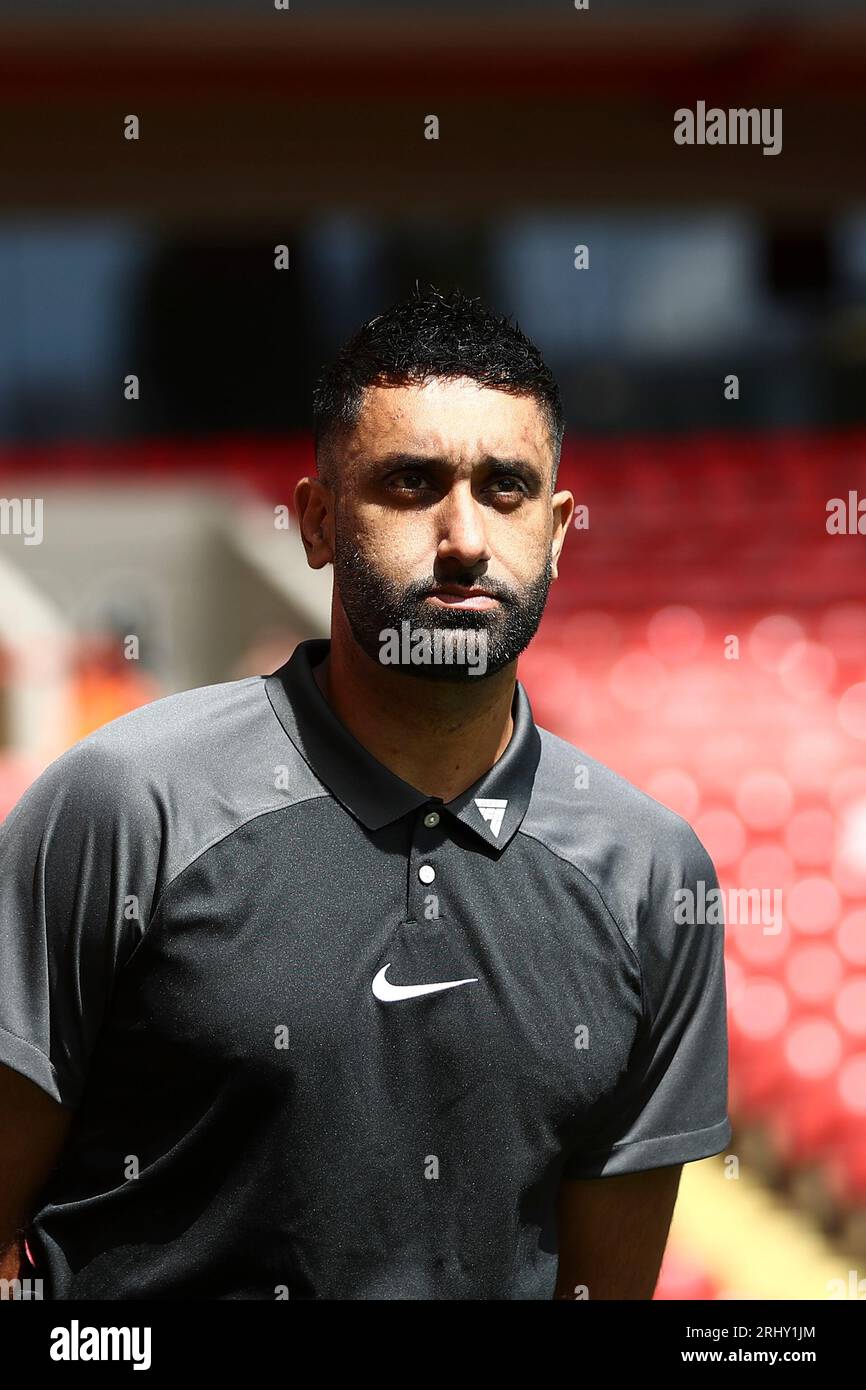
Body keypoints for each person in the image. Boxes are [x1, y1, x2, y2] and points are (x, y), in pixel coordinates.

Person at [0, 284, 730, 1300]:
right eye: (410, 483)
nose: (464, 537)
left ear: (559, 530)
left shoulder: (650, 875)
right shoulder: (124, 806)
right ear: (315, 520)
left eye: (506, 488)